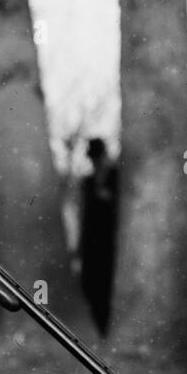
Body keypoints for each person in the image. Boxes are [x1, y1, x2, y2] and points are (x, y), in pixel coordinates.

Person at [78, 137, 119, 337]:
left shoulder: (116, 177)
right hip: (91, 245)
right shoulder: (87, 182)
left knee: (107, 286)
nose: (95, 162)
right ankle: (101, 329)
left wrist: (108, 200)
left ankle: (106, 329)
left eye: (98, 157)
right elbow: (84, 216)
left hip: (109, 243)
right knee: (91, 288)